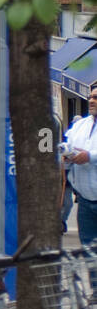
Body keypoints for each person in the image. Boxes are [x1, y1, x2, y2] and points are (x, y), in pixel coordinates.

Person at [62, 86, 97, 250]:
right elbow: (66, 145)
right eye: (90, 97)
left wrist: (90, 156)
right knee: (90, 254)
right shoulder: (80, 125)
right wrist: (66, 155)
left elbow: (89, 155)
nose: (91, 101)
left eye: (96, 98)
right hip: (85, 201)